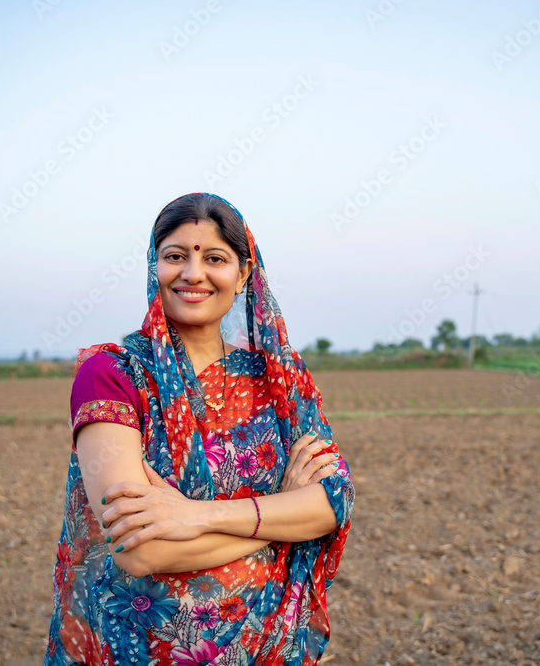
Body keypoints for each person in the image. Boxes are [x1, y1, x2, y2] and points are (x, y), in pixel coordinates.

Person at [44, 192, 354, 665]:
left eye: (214, 258)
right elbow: (139, 551)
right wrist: (280, 517)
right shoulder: (113, 375)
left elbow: (334, 502)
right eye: (175, 256)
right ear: (155, 268)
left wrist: (194, 515)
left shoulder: (280, 378)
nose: (193, 274)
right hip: (143, 646)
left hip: (263, 643)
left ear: (243, 273)